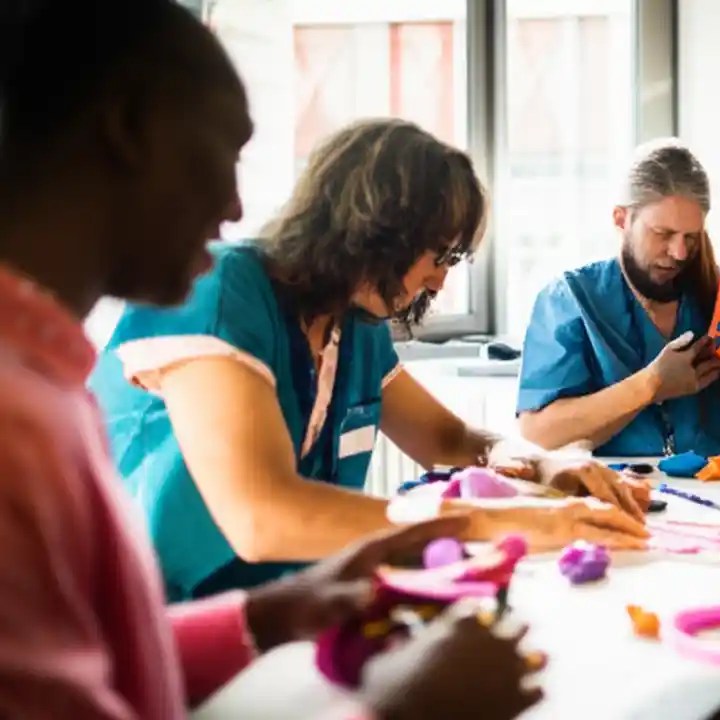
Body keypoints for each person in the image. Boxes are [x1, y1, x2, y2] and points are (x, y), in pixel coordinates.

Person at [0, 2, 541, 718]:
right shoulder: (21, 425)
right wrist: (398, 709)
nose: (232, 205)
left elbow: (115, 666)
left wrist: (271, 616)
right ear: (129, 130)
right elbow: (258, 516)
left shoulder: (49, 390)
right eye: (222, 154)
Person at [88, 114, 648, 603]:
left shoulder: (353, 324)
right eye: (438, 254)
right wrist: (503, 522)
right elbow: (262, 518)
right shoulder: (219, 289)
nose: (440, 279)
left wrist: (545, 464)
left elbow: (448, 441)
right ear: (376, 229)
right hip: (153, 622)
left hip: (279, 611)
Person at [516, 139, 720, 457]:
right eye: (662, 234)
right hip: (613, 497)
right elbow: (539, 434)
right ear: (621, 219)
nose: (679, 253)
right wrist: (651, 385)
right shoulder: (571, 300)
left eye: (691, 237)